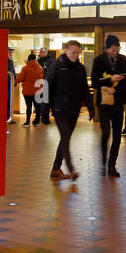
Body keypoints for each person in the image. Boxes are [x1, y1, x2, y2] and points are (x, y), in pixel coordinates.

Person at [45, 40, 94, 181]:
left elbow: (85, 89)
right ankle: (71, 168)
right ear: (66, 51)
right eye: (73, 52)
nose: (76, 55)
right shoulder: (57, 66)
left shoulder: (80, 68)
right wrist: (45, 109)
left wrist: (90, 107)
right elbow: (47, 85)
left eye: (78, 53)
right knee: (65, 137)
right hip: (59, 108)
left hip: (74, 109)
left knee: (65, 139)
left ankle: (55, 169)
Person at [91, 34, 126, 177]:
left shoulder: (122, 59)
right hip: (104, 103)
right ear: (106, 48)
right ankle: (103, 162)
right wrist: (109, 81)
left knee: (117, 134)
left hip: (118, 102)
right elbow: (95, 82)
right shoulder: (99, 60)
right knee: (106, 132)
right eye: (113, 50)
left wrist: (117, 88)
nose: (115, 53)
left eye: (117, 50)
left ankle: (112, 165)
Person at [15, 52, 44, 126]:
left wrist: (14, 81)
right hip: (37, 90)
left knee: (29, 106)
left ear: (28, 59)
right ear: (35, 59)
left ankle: (27, 122)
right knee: (37, 107)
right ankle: (36, 122)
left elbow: (21, 78)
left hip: (27, 91)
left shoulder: (25, 68)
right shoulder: (40, 68)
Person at [36, 50, 53, 125]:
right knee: (38, 100)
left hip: (47, 83)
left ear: (46, 53)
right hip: (38, 83)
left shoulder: (51, 61)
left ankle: (45, 118)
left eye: (43, 52)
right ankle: (38, 116)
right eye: (41, 52)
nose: (42, 53)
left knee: (46, 101)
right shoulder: (37, 61)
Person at [6, 47, 17, 123]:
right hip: (6, 84)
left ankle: (9, 116)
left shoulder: (10, 60)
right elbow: (9, 70)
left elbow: (13, 72)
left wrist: (14, 81)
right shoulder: (8, 61)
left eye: (11, 52)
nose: (11, 53)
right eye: (9, 51)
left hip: (10, 83)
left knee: (9, 101)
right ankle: (7, 117)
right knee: (6, 101)